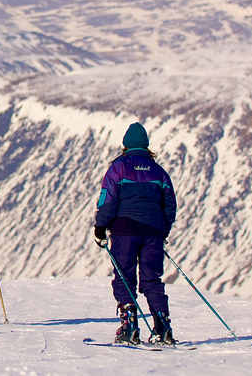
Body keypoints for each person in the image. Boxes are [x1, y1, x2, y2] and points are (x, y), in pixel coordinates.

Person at [93, 122, 177, 345]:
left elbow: (107, 199)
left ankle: (129, 326)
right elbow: (170, 205)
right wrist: (163, 230)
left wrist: (100, 227)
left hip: (124, 231)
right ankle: (163, 326)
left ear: (126, 146)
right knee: (152, 279)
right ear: (146, 146)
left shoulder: (118, 168)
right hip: (153, 232)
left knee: (123, 276)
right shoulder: (159, 172)